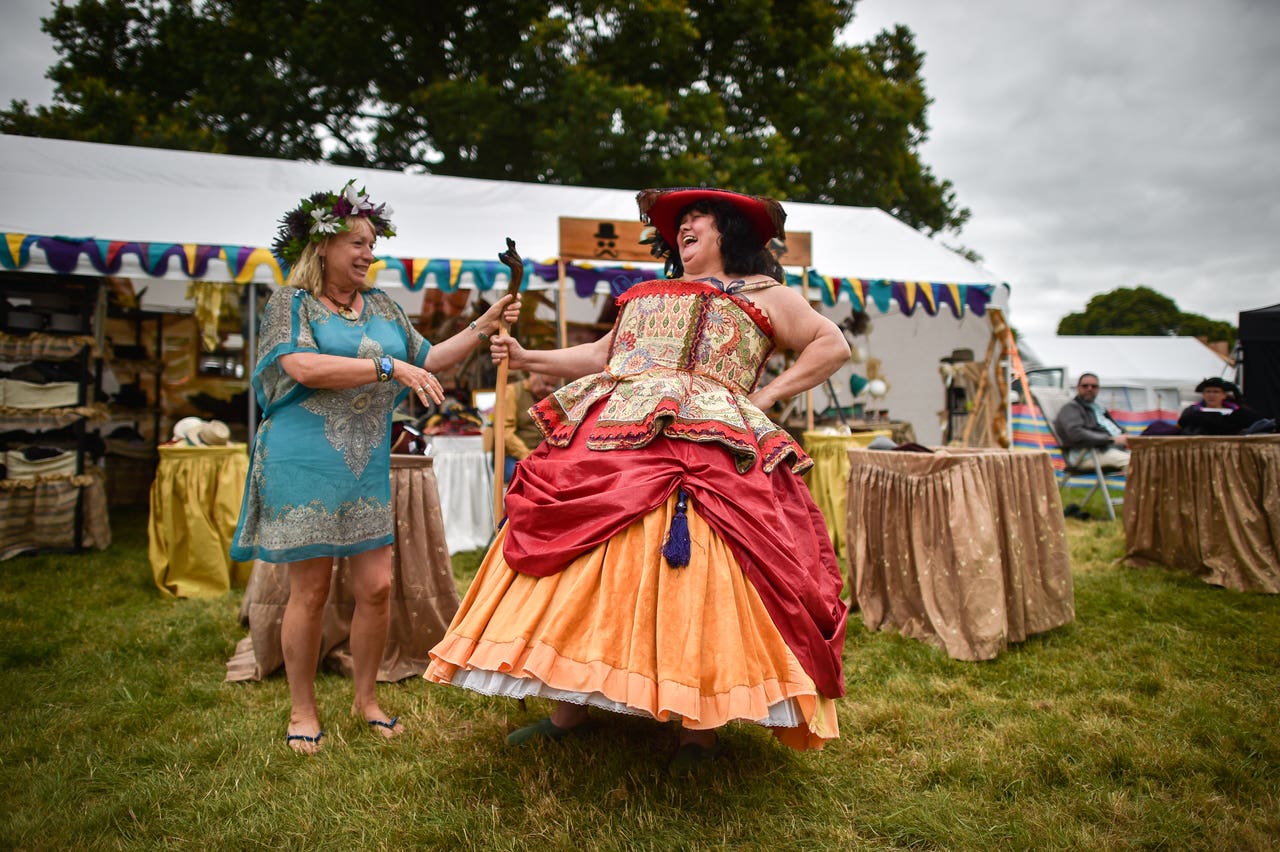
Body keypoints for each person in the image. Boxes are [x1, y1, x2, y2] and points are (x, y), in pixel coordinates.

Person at [425, 187, 851, 771]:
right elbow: (603, 357)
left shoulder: (767, 294)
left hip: (708, 448)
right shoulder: (647, 293)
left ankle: (697, 729)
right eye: (678, 222)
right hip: (607, 433)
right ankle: (567, 707)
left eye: (698, 217)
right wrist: (527, 359)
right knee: (580, 562)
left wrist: (769, 393)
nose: (684, 227)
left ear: (730, 229)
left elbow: (832, 344)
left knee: (695, 572)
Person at [229, 180, 520, 754]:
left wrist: (483, 325)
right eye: (357, 243)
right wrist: (389, 368)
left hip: (364, 461)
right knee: (309, 593)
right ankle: (302, 709)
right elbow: (303, 367)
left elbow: (429, 359)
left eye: (371, 244)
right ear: (322, 248)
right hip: (302, 457)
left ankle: (366, 701)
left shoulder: (384, 306)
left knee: (378, 587)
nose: (368, 254)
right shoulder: (292, 304)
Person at [1054, 373, 1130, 469]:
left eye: (1094, 386)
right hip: (1086, 455)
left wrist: (1126, 436)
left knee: (1147, 458)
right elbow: (1076, 433)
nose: (1089, 389)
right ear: (1078, 388)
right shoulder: (1071, 408)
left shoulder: (1098, 408)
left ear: (1098, 389)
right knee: (1132, 462)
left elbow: (1114, 428)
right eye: (1085, 386)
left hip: (1108, 450)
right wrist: (1110, 440)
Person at [501, 371, 559, 480]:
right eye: (546, 384)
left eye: (553, 386)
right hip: (516, 455)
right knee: (526, 478)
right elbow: (505, 432)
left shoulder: (553, 396)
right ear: (534, 374)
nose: (549, 389)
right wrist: (527, 455)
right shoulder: (512, 392)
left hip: (545, 455)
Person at [1177, 377, 1265, 435]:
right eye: (1208, 391)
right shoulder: (1192, 412)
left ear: (1224, 395)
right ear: (1203, 394)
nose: (1211, 395)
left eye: (1216, 391)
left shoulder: (1239, 413)